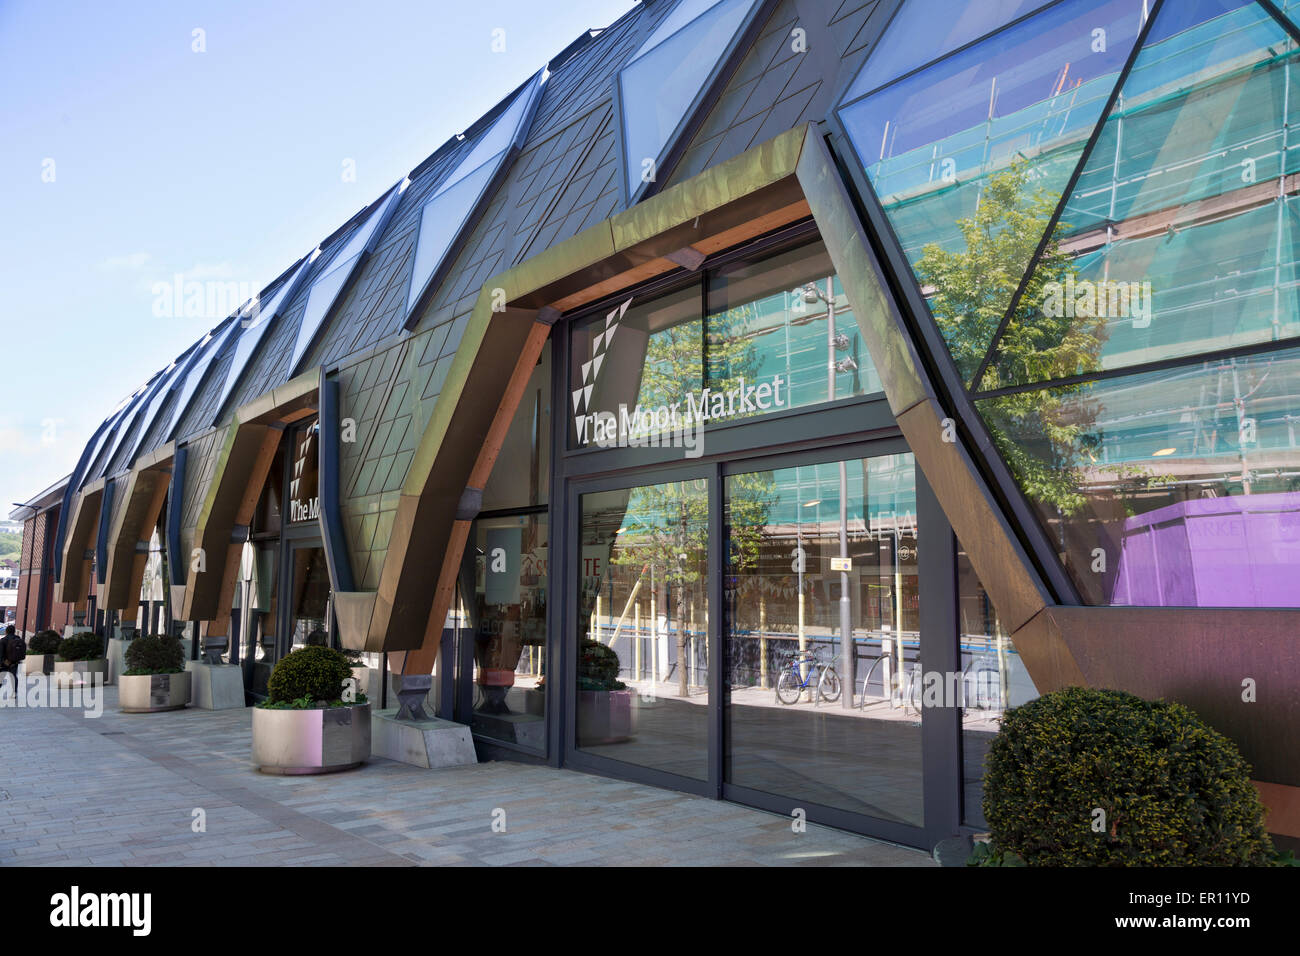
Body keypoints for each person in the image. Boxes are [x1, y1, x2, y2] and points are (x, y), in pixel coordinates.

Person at [0, 624, 25, 693]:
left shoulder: (3, 640)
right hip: (14, 662)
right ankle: (15, 692)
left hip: (4, 662)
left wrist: (2, 662)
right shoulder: (18, 639)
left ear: (6, 632)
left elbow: (1, 653)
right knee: (13, 677)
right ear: (14, 631)